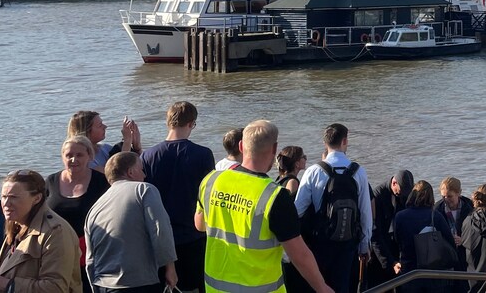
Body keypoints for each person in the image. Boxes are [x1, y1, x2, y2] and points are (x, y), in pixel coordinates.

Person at [194, 120, 333, 293]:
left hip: (215, 288)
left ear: (241, 146)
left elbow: (200, 225)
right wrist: (322, 288)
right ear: (274, 149)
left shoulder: (211, 181)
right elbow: (299, 255)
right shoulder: (275, 196)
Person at [139, 101, 215, 293]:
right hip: (193, 234)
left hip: (159, 236)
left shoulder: (148, 156)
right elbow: (208, 196)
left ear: (168, 122)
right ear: (191, 123)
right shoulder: (203, 154)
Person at [0, 170, 80, 293]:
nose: (6, 203)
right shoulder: (16, 223)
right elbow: (10, 267)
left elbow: (56, 287)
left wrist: (7, 285)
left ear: (37, 198)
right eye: (4, 197)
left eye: (14, 197)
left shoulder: (55, 232)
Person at [294, 123, 372, 293]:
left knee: (320, 286)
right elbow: (365, 212)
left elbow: (297, 211)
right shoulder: (358, 172)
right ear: (345, 141)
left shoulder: (314, 171)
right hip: (348, 245)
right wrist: (364, 246)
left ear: (325, 143)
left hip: (320, 244)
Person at [84, 153, 176, 293]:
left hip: (103, 284)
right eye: (141, 169)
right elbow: (160, 230)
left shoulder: (95, 207)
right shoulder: (144, 189)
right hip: (139, 283)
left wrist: (94, 287)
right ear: (131, 172)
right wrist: (170, 268)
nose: (144, 175)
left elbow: (90, 259)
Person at [46, 136, 110, 293]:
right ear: (62, 157)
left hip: (92, 254)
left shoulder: (101, 182)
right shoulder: (51, 181)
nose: (74, 159)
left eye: (79, 155)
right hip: (57, 253)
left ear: (89, 156)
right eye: (69, 155)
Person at [392, 181, 454, 293]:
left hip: (408, 271)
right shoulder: (436, 216)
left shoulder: (400, 216)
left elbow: (397, 241)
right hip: (432, 272)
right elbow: (449, 242)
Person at [368, 170, 414, 287]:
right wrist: (390, 263)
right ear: (394, 183)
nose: (403, 197)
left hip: (396, 247)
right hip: (379, 253)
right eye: (401, 193)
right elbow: (375, 235)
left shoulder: (404, 195)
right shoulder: (377, 197)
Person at [67, 112, 141, 172]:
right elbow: (117, 174)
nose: (105, 126)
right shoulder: (84, 160)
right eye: (100, 125)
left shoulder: (105, 148)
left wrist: (136, 147)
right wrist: (127, 140)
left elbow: (138, 165)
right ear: (87, 132)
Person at [436, 177, 472, 292]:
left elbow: (475, 233)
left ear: (459, 193)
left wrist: (463, 240)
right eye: (443, 196)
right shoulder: (437, 209)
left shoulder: (470, 207)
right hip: (446, 256)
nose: (446, 200)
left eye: (449, 196)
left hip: (465, 255)